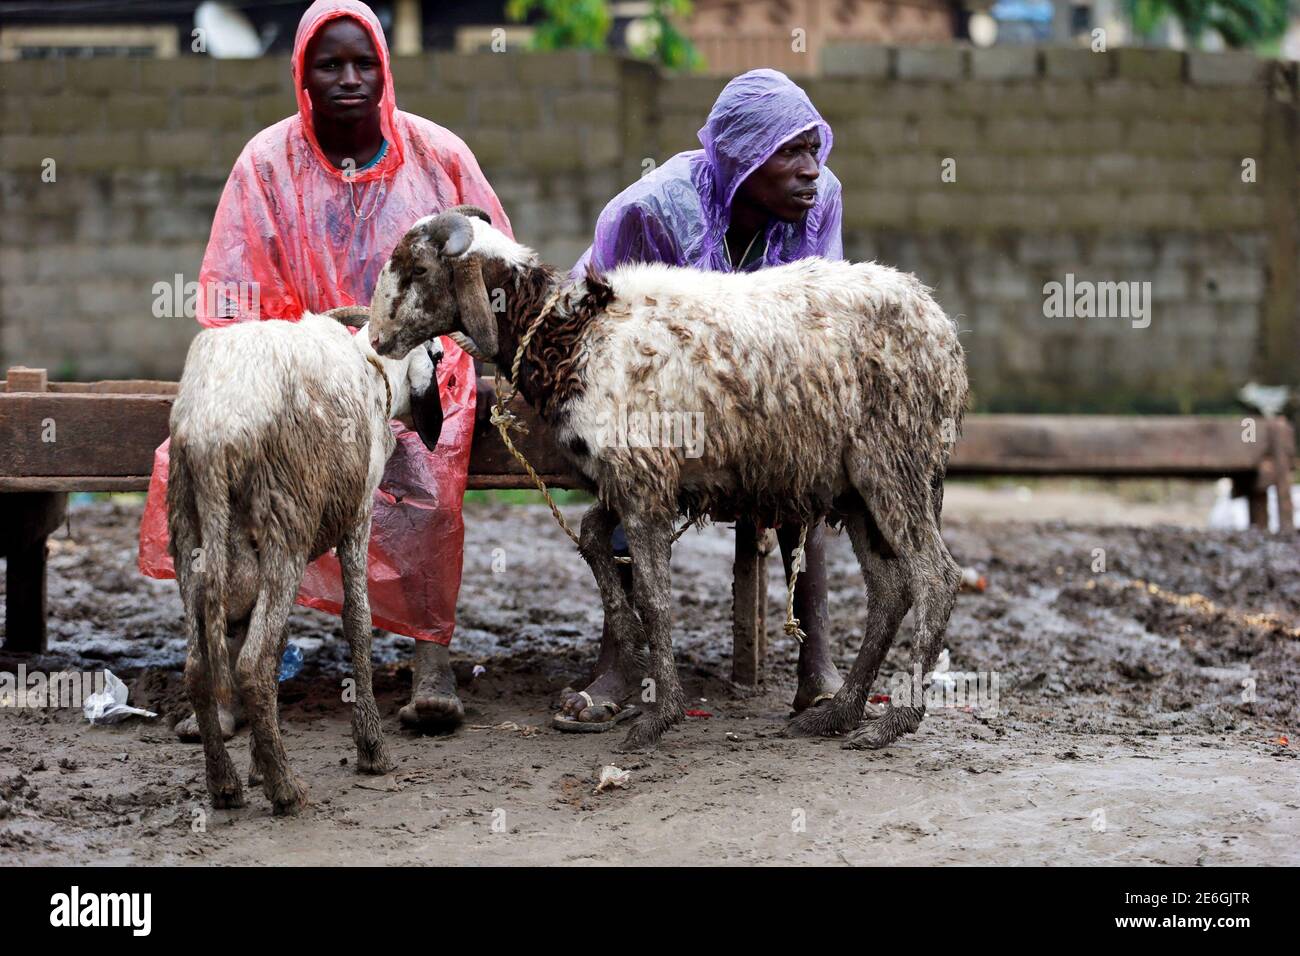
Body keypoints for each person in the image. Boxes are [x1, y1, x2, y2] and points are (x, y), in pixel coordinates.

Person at [138, 0, 512, 736]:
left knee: (427, 473)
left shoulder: (437, 157)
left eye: (363, 63)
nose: (348, 78)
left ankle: (429, 655)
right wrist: (313, 353)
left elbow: (490, 270)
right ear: (303, 78)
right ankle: (232, 660)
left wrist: (435, 348)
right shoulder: (266, 164)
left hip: (410, 367)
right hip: (295, 368)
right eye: (328, 65)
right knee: (210, 469)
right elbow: (235, 302)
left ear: (386, 70)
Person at [556, 69, 845, 730]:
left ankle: (818, 667)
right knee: (635, 464)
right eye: (790, 153)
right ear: (742, 161)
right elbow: (611, 342)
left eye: (814, 149)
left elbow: (823, 320)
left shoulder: (823, 198)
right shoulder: (649, 212)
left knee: (813, 465)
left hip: (753, 385)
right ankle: (621, 663)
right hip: (640, 377)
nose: (810, 170)